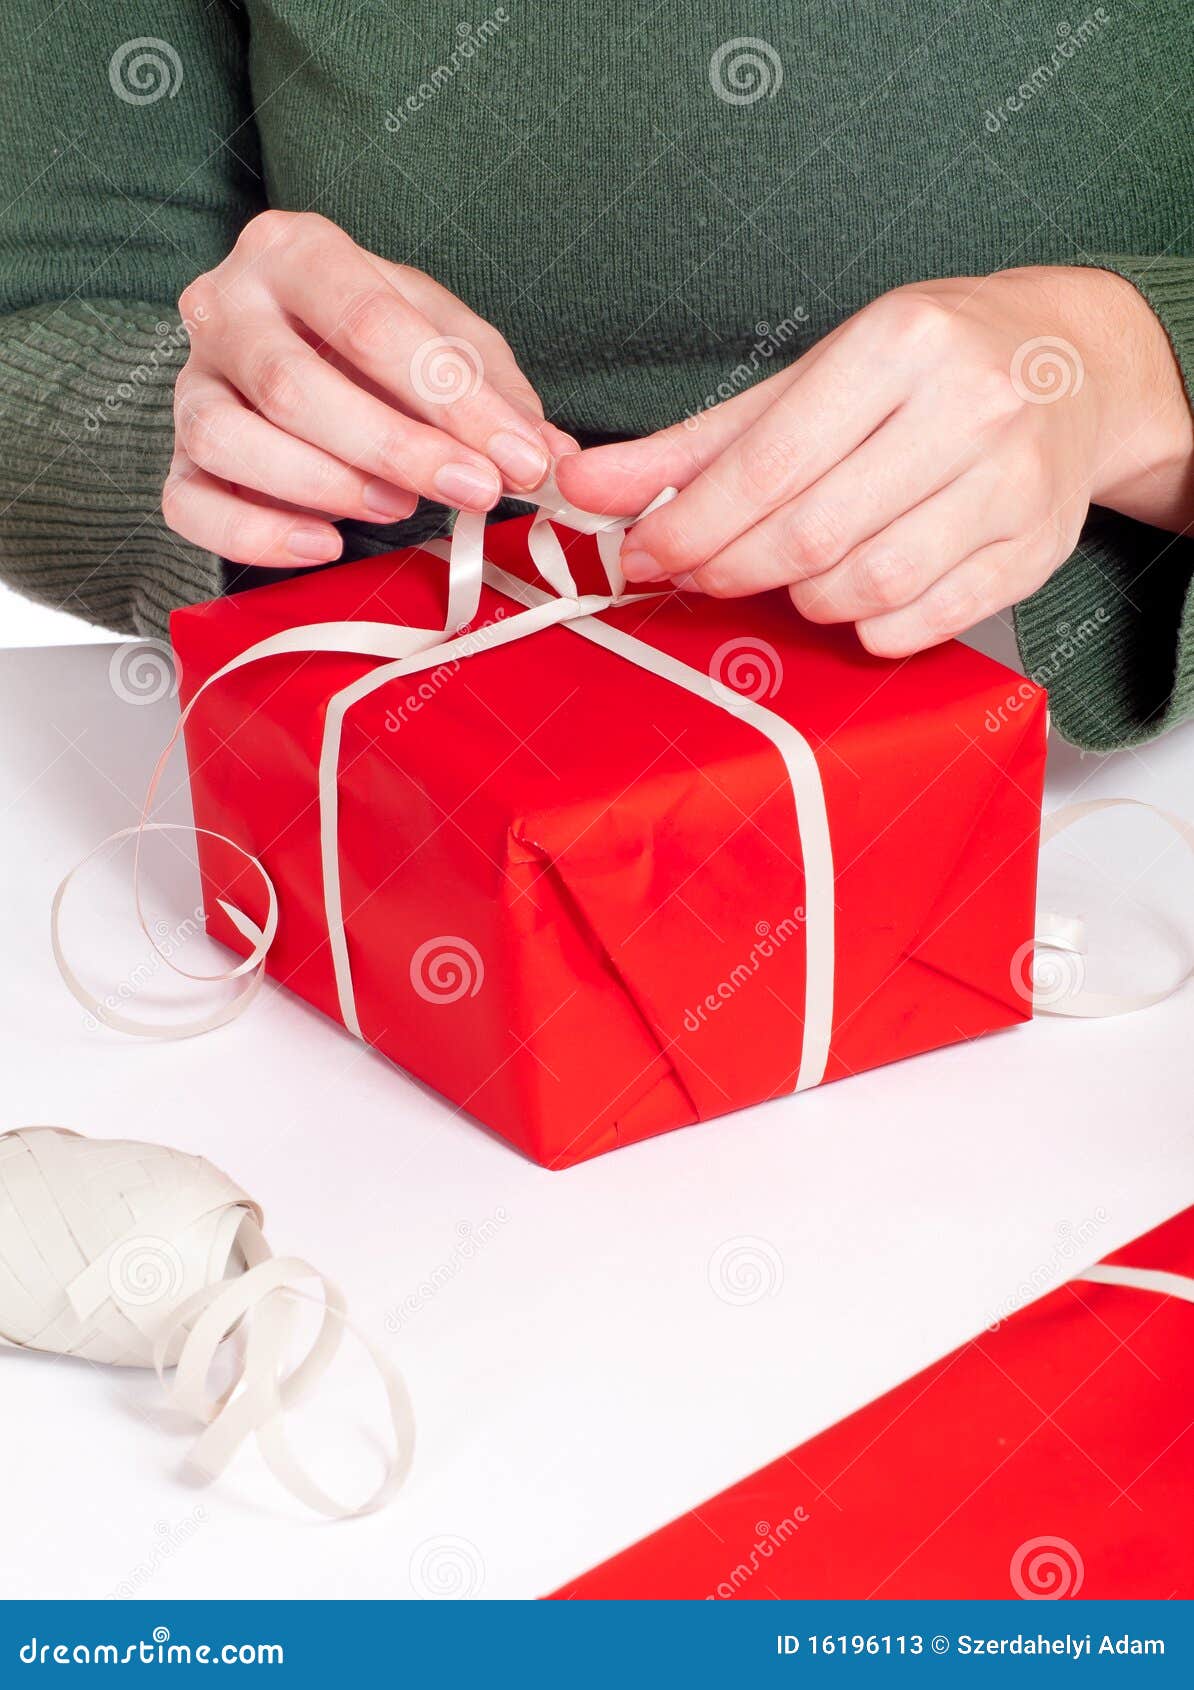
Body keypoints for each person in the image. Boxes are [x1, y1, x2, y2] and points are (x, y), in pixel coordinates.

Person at [1, 1, 1190, 753]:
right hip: (397, 781)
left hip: (1101, 820)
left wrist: (1127, 373)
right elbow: (37, 315)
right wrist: (227, 428)